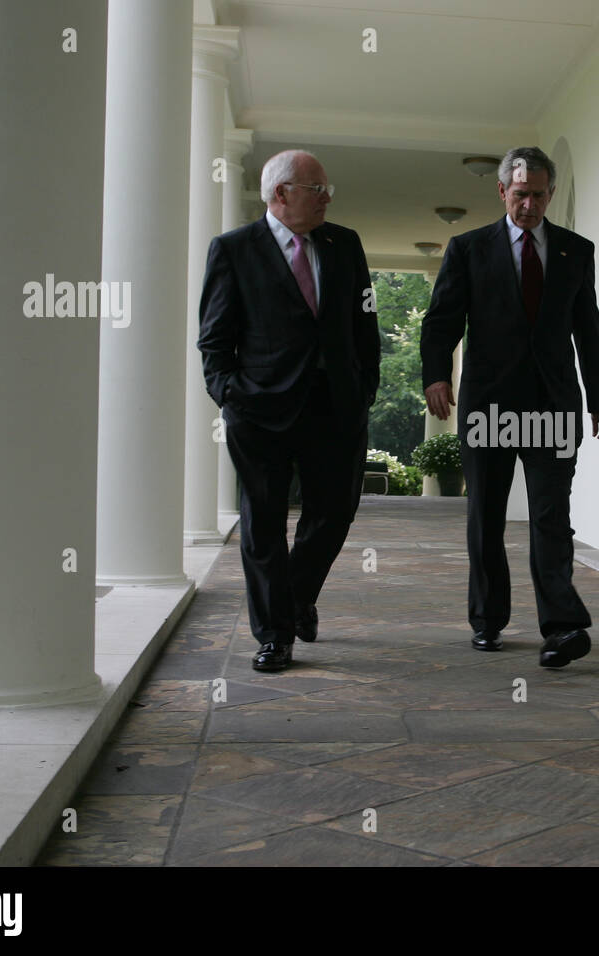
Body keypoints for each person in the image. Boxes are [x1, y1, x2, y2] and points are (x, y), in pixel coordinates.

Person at [420, 145, 599, 668]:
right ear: (502, 190)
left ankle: (563, 627)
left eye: (540, 195)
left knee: (552, 517)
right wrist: (437, 374)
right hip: (489, 406)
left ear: (551, 194)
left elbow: (587, 331)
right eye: (521, 194)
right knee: (486, 515)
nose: (530, 204)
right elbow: (441, 322)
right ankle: (488, 620)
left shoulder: (577, 251)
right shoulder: (468, 249)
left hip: (553, 405)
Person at [198, 149, 380, 672]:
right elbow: (214, 339)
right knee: (263, 524)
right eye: (316, 188)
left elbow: (364, 323)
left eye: (326, 190)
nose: (326, 198)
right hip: (259, 411)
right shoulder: (233, 250)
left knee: (334, 512)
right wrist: (230, 396)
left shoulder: (344, 244)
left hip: (337, 408)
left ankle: (295, 596)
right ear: (281, 194)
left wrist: (365, 385)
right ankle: (275, 634)